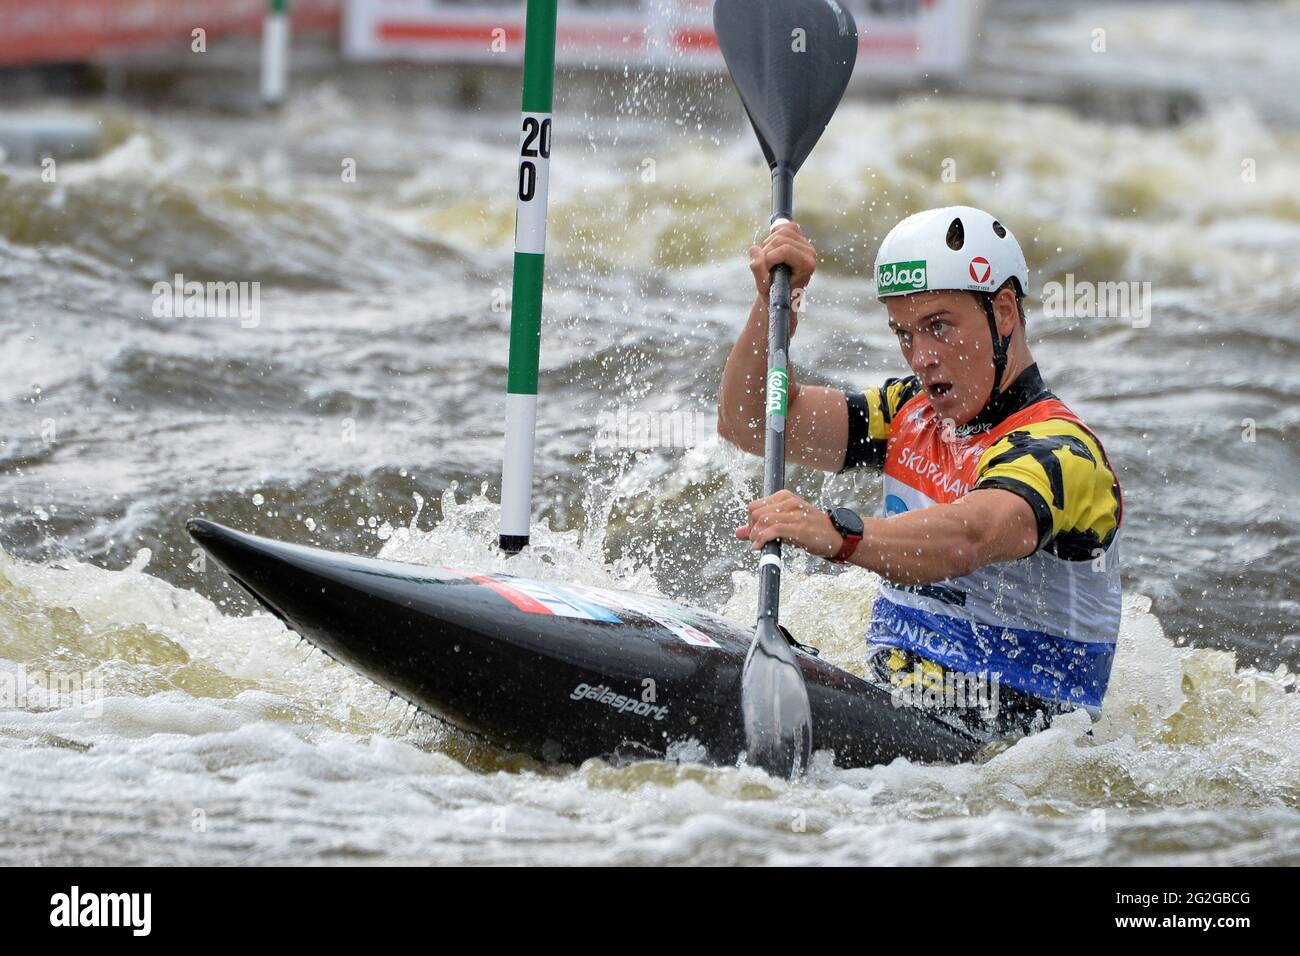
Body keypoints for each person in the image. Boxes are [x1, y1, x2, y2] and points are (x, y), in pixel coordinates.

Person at [717, 205, 1123, 737]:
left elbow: (971, 537)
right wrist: (776, 304)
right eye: (905, 333)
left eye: (938, 327)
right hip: (898, 707)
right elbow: (750, 422)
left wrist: (839, 533)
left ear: (1003, 312)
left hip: (1008, 741)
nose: (921, 357)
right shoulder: (909, 411)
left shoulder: (1062, 452)